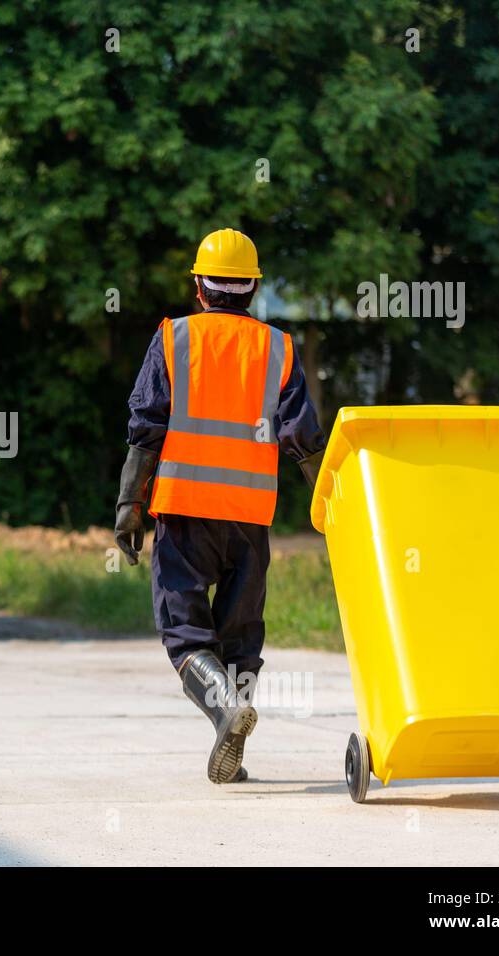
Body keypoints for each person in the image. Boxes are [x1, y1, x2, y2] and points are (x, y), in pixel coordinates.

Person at [115, 228, 326, 784]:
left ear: (200, 287)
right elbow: (302, 435)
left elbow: (146, 428)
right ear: (252, 288)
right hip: (249, 518)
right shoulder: (277, 347)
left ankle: (225, 714)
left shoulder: (174, 339)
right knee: (240, 635)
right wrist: (332, 503)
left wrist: (129, 504)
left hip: (184, 511)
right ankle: (231, 740)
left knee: (185, 632)